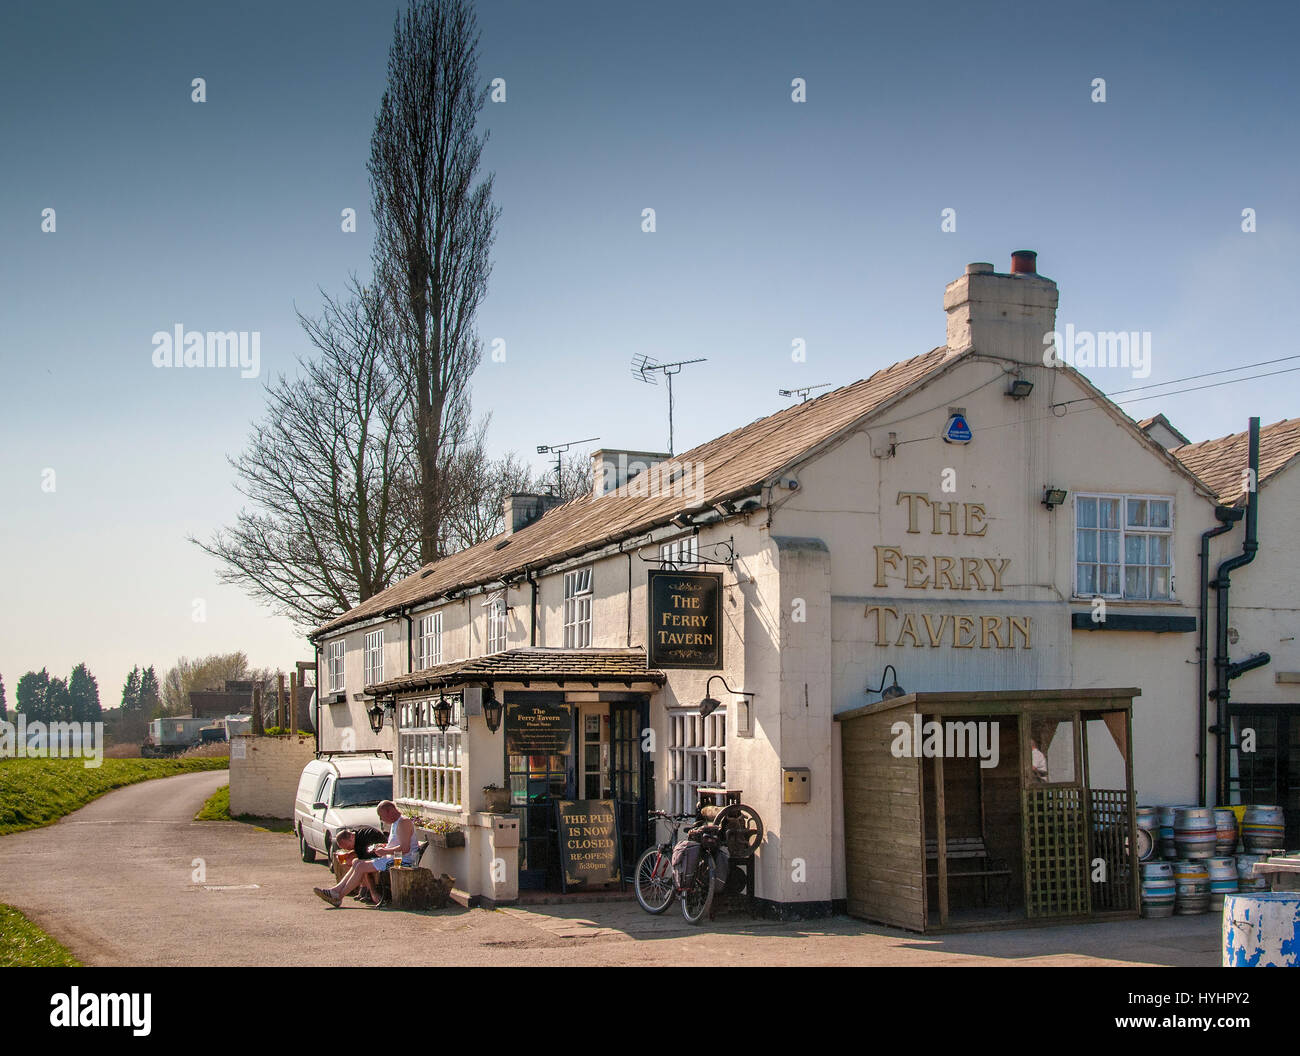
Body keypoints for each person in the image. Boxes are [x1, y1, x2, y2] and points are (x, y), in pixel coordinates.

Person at [314, 801, 419, 908]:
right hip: (393, 858)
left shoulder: (403, 822)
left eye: (381, 815)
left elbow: (405, 848)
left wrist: (385, 851)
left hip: (403, 861)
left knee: (361, 866)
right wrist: (384, 847)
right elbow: (397, 844)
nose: (381, 819)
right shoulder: (395, 823)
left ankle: (338, 897)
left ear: (389, 811)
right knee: (357, 863)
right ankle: (335, 890)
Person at [333, 825, 387, 903]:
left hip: (384, 857)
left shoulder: (364, 840)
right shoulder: (357, 836)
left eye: (348, 847)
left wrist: (373, 892)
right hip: (376, 856)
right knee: (354, 861)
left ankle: (339, 895)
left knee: (358, 864)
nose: (348, 849)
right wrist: (349, 854)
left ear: (351, 837)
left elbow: (366, 869)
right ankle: (337, 890)